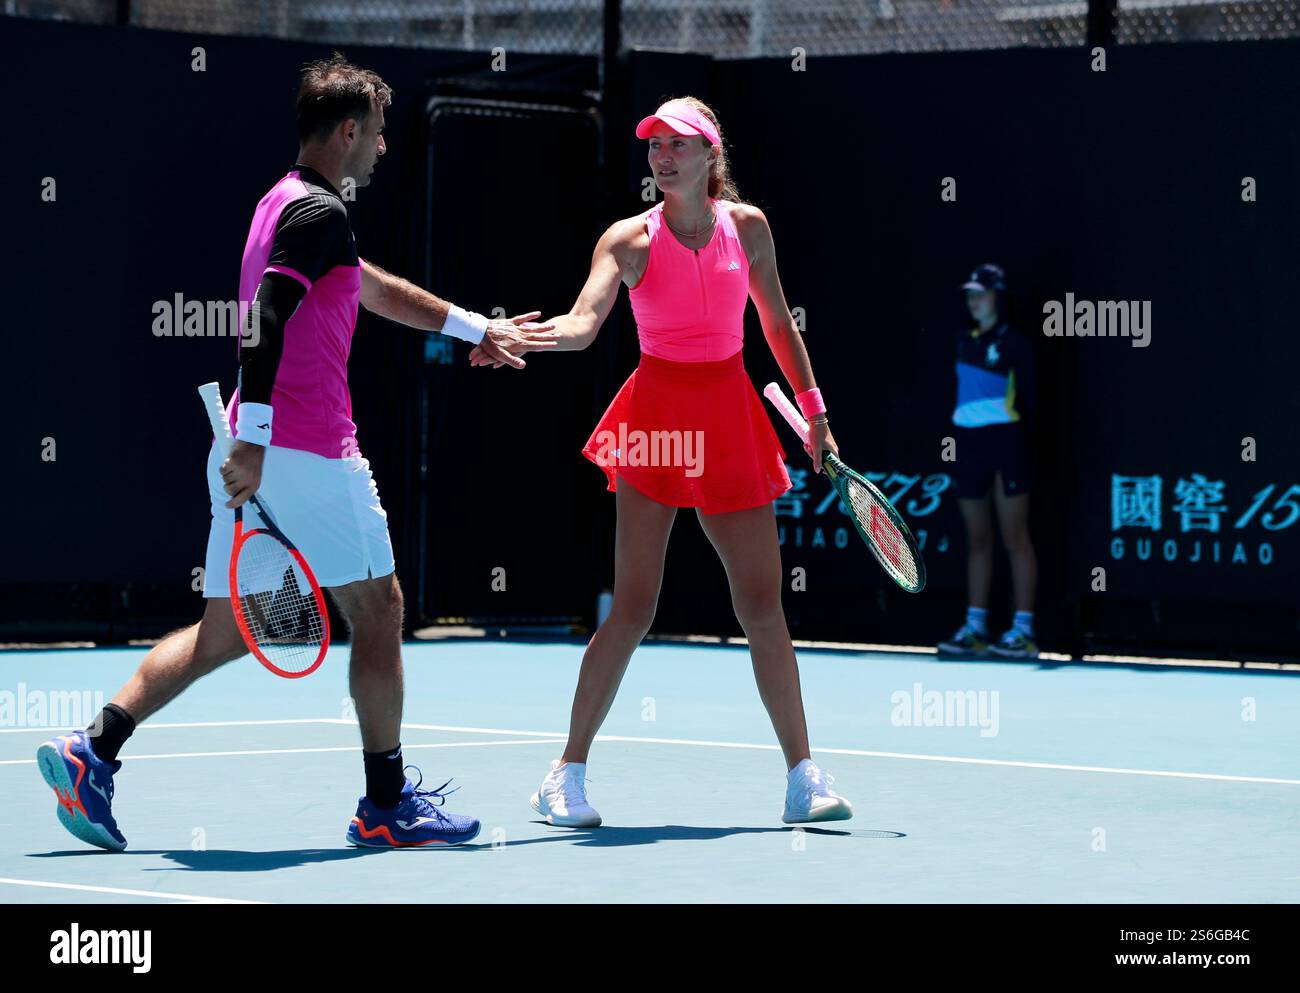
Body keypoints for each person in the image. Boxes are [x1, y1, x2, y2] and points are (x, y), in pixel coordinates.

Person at [35, 52, 558, 851]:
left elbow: (372, 288)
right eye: (377, 134)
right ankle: (387, 803)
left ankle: (92, 750)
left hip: (258, 449)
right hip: (305, 451)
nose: (382, 148)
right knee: (378, 609)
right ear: (347, 131)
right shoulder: (320, 216)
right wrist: (258, 441)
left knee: (224, 632)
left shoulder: (287, 206)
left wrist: (474, 326)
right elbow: (266, 320)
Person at [471, 97, 852, 827]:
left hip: (731, 412)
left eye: (679, 144)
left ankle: (804, 776)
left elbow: (776, 320)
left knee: (762, 603)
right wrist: (522, 337)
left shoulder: (750, 228)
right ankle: (564, 774)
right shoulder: (628, 241)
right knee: (635, 604)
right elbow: (584, 326)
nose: (662, 156)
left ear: (712, 155)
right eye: (654, 144)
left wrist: (815, 411)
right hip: (657, 418)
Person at [937, 264, 1039, 659]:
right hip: (968, 444)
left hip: (1008, 443)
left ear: (998, 296)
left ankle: (1023, 630)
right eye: (970, 295)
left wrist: (1018, 439)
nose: (974, 300)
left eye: (981, 293)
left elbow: (1030, 400)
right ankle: (976, 626)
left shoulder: (1016, 342)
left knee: (1015, 537)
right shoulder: (963, 340)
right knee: (977, 538)